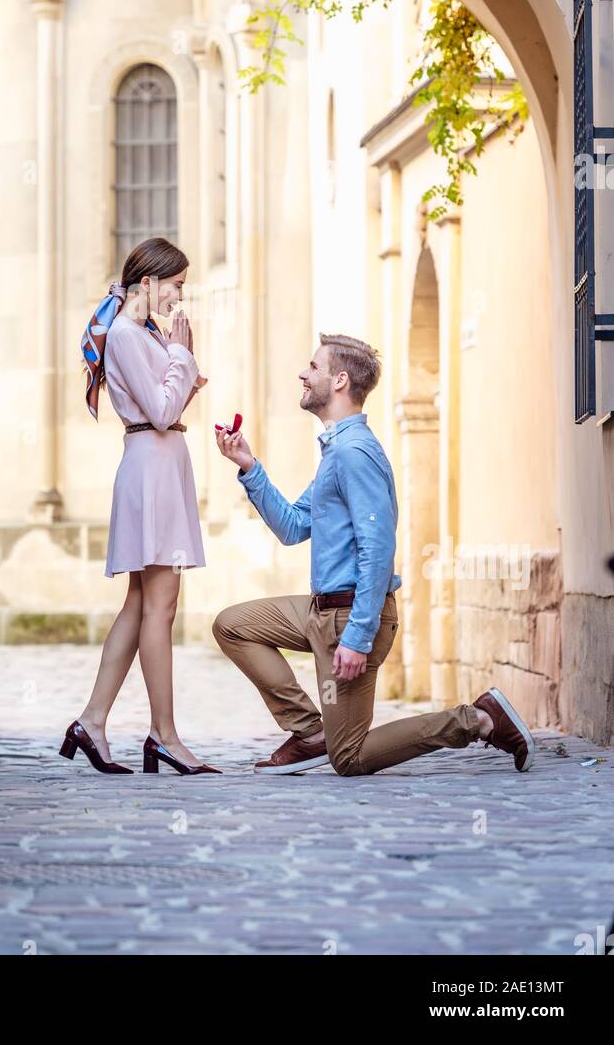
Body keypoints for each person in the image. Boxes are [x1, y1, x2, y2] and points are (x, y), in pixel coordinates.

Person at [213, 332, 535, 776]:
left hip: (351, 618)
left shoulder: (354, 454)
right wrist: (249, 468)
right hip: (319, 611)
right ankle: (309, 732)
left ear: (340, 380)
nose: (303, 374)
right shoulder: (336, 453)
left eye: (313, 366)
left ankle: (477, 719)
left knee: (350, 758)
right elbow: (292, 527)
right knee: (234, 625)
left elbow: (378, 548)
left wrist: (358, 637)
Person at [60, 236, 220, 776]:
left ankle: (93, 722)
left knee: (140, 603)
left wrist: (180, 360)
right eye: (175, 286)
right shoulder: (128, 336)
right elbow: (158, 410)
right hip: (150, 467)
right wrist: (180, 355)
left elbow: (172, 403)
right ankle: (165, 735)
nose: (179, 298)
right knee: (162, 605)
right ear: (148, 283)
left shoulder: (141, 334)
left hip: (160, 464)